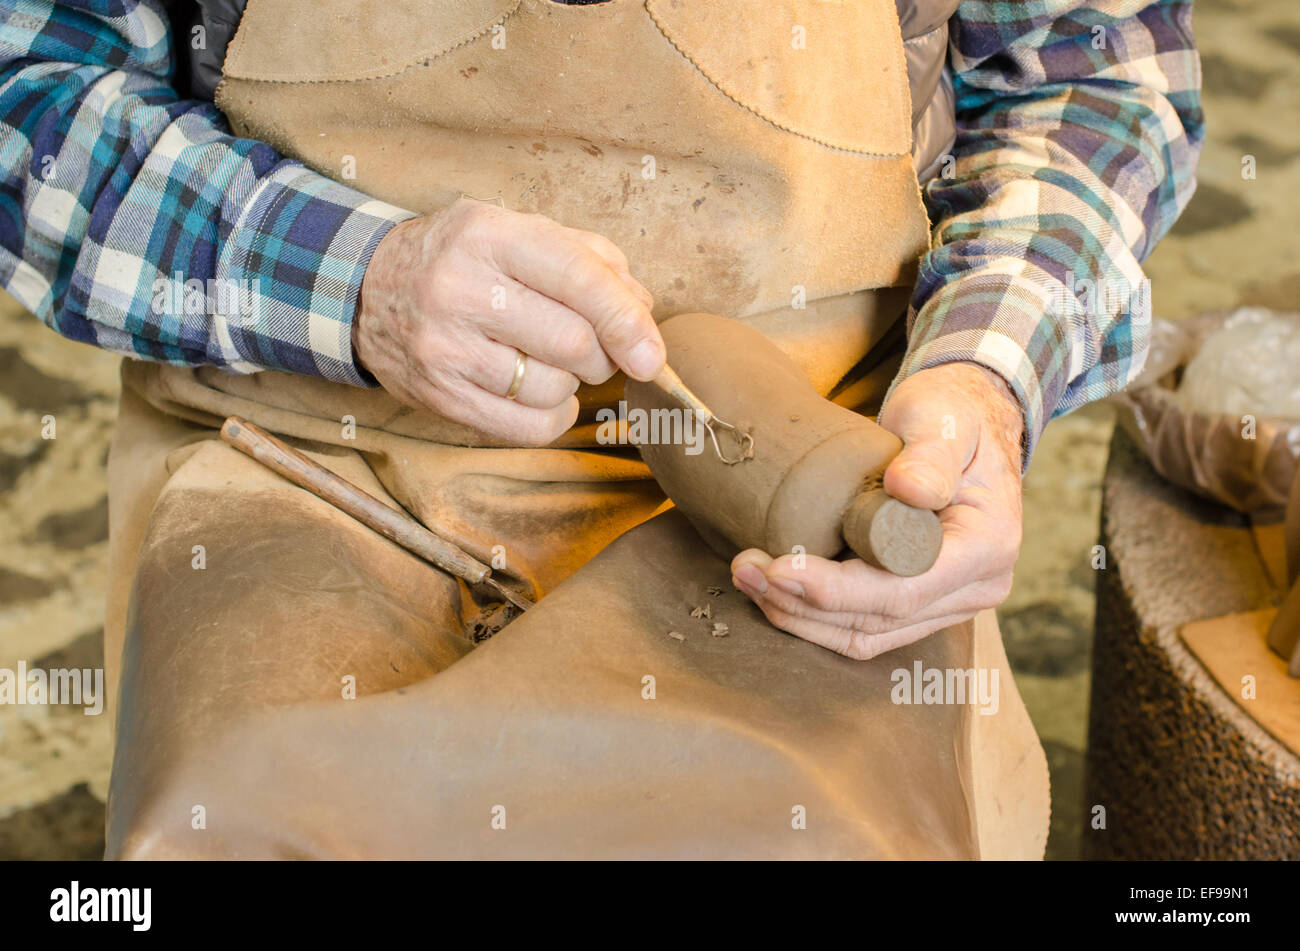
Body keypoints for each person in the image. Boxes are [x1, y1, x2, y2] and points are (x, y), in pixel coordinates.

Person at [0, 0, 1201, 858]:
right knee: (251, 816)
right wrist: (357, 284)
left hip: (811, 447)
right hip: (309, 438)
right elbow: (28, 87)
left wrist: (982, 381)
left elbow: (1090, 84)